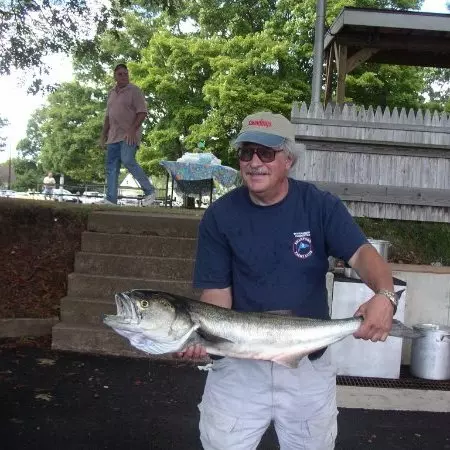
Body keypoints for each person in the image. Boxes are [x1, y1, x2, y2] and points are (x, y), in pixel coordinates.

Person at [179, 111, 398, 449]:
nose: (254, 162)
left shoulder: (319, 206)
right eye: (246, 152)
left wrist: (385, 294)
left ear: (289, 160)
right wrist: (199, 337)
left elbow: (364, 257)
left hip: (307, 364)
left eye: (266, 153)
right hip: (239, 365)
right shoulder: (220, 217)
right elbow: (217, 294)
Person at [99, 63, 156, 206]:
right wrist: (103, 135)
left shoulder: (134, 91)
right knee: (111, 167)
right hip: (113, 136)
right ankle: (111, 199)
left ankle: (150, 191)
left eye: (126, 73)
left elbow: (142, 112)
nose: (124, 76)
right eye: (120, 74)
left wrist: (132, 130)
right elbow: (108, 116)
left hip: (129, 135)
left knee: (127, 159)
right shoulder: (111, 93)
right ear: (114, 76)